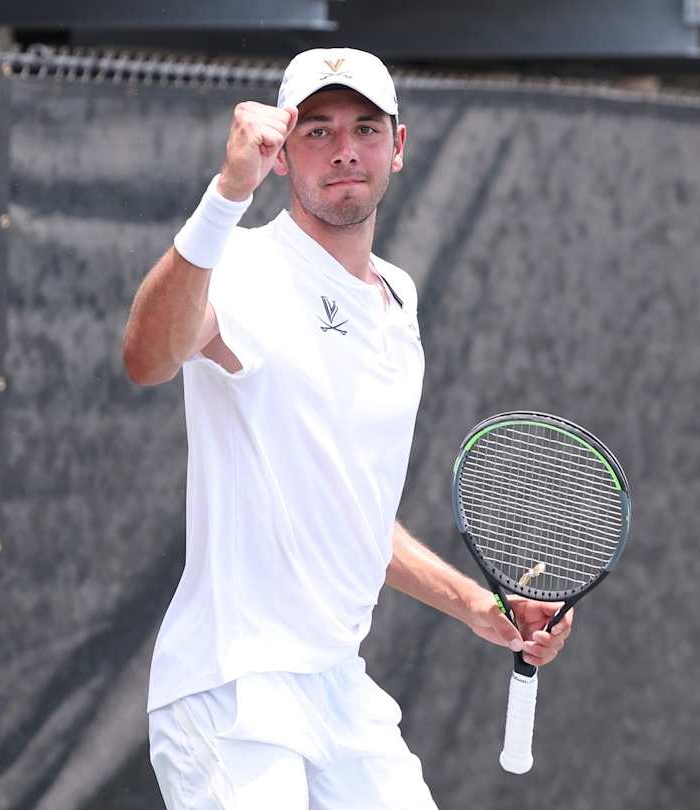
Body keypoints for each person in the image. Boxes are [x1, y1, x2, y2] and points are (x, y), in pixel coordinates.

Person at [120, 47, 575, 809]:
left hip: (339, 692)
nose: (344, 151)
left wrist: (474, 604)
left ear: (398, 146)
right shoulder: (243, 267)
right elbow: (147, 358)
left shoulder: (397, 298)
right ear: (283, 153)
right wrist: (227, 194)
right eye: (318, 132)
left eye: (365, 128)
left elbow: (348, 510)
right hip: (233, 691)